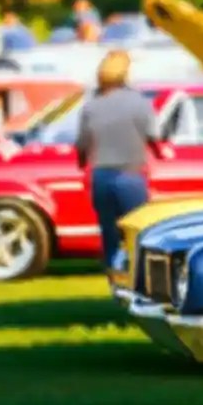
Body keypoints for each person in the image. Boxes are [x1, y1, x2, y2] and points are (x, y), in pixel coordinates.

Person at [75, 50, 166, 271]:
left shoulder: (91, 106)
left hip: (102, 175)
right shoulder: (139, 103)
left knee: (109, 231)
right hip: (130, 174)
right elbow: (152, 136)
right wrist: (160, 154)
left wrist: (82, 163)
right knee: (137, 228)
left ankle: (114, 270)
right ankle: (138, 269)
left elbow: (82, 145)